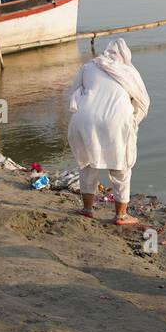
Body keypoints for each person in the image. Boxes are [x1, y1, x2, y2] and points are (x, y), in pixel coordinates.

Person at [66, 37, 150, 225]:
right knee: (121, 167)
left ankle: (87, 209)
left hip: (85, 119)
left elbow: (73, 94)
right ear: (125, 56)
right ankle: (121, 215)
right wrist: (133, 122)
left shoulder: (88, 67)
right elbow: (144, 103)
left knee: (88, 164)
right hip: (116, 121)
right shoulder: (129, 72)